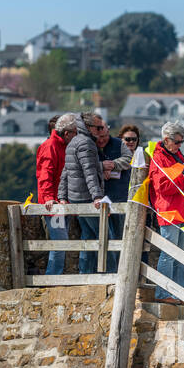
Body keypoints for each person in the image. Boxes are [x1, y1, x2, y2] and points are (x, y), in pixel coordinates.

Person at [148, 121, 184, 304]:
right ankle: (163, 293)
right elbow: (162, 187)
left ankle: (180, 293)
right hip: (168, 211)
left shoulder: (178, 156)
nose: (179, 145)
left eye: (182, 142)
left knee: (182, 255)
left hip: (183, 210)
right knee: (168, 254)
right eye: (177, 142)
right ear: (166, 140)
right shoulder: (158, 158)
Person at [58, 113, 108, 275]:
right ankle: (106, 274)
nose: (101, 131)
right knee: (105, 236)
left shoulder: (73, 142)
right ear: (88, 127)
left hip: (75, 197)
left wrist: (63, 196)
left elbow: (66, 172)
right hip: (86, 197)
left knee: (88, 237)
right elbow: (89, 172)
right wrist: (97, 196)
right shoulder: (86, 143)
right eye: (98, 127)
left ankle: (85, 273)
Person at [36, 113, 79, 276]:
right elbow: (45, 175)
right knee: (60, 242)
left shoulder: (63, 146)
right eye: (75, 132)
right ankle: (52, 278)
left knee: (61, 242)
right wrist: (48, 198)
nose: (77, 136)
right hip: (54, 205)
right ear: (67, 133)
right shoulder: (51, 146)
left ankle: (54, 276)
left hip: (63, 202)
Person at [87, 113, 129, 271]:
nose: (102, 140)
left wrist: (113, 164)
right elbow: (86, 165)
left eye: (105, 136)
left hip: (118, 197)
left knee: (118, 237)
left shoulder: (118, 143)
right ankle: (103, 271)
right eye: (99, 137)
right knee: (100, 237)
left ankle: (118, 270)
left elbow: (128, 159)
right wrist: (101, 166)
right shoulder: (90, 145)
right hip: (98, 198)